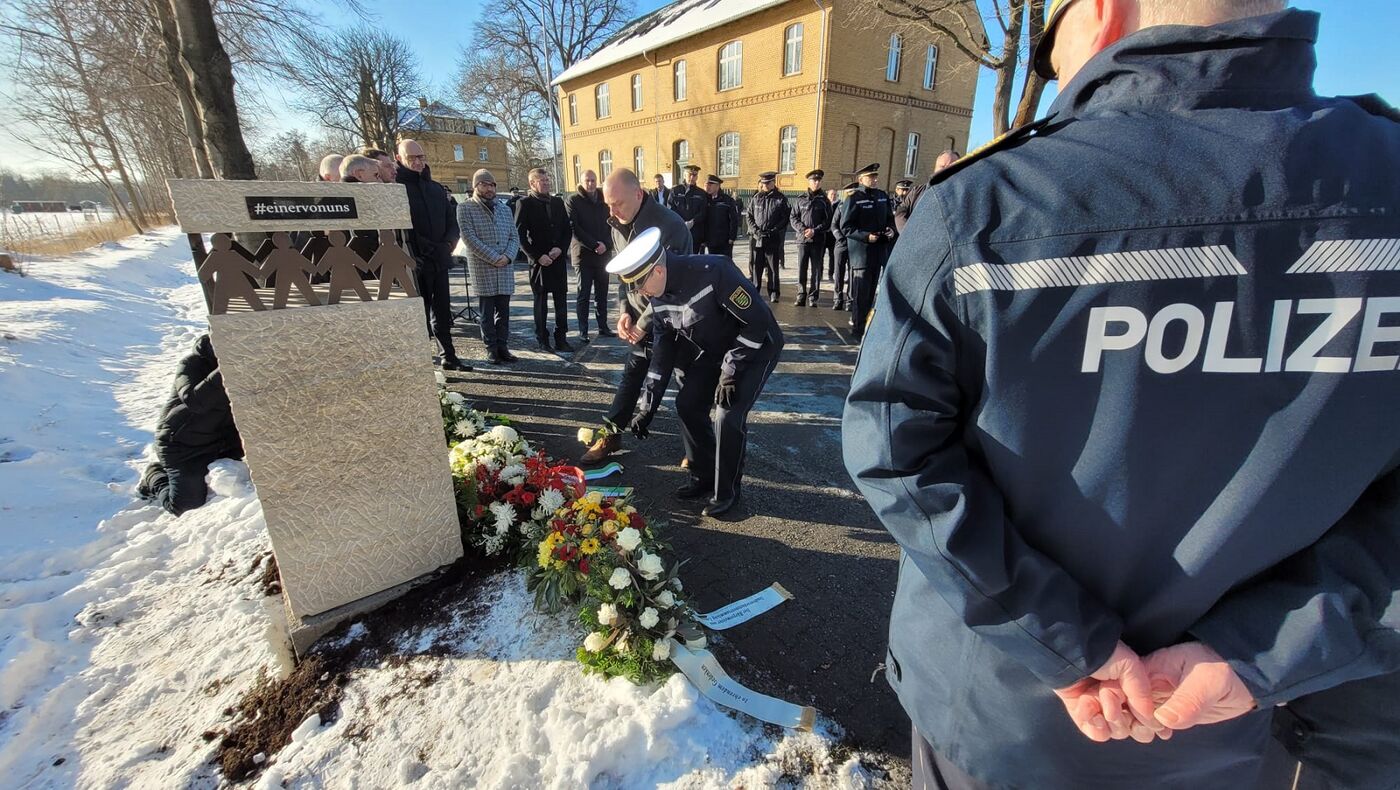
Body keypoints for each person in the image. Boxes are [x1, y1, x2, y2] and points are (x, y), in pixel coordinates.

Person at [843, 2, 1400, 789]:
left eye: (1050, 55)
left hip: (1001, 720)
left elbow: (893, 449)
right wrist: (1260, 650)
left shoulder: (989, 202)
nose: (1055, 78)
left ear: (1100, 13)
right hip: (1240, 730)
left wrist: (1068, 642)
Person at [609, 228, 783, 519]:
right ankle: (703, 475)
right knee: (687, 404)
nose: (640, 293)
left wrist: (730, 371)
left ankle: (726, 492)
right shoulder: (659, 296)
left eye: (640, 285)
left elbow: (757, 322)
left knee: (727, 415)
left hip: (755, 347)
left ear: (658, 270)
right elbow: (662, 355)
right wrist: (646, 407)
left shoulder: (715, 271)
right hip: (715, 350)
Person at [580, 168, 691, 464]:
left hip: (674, 321)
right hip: (639, 318)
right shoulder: (617, 223)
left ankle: (695, 450)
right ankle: (611, 435)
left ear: (639, 194)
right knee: (631, 377)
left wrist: (644, 323)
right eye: (608, 205)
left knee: (686, 387)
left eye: (618, 204)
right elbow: (622, 276)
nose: (612, 212)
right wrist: (624, 312)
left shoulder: (670, 226)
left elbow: (673, 286)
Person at [137, 335, 243, 517]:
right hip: (183, 444)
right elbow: (195, 401)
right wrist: (227, 369)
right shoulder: (192, 364)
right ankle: (154, 475)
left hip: (223, 441)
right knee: (185, 506)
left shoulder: (253, 364)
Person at [395, 139, 468, 371]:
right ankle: (422, 361)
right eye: (411, 158)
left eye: (421, 157)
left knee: (442, 311)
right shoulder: (397, 189)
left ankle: (449, 356)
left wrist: (447, 244)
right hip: (416, 261)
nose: (418, 162)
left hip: (440, 259)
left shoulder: (436, 188)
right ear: (399, 159)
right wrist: (426, 248)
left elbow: (451, 221)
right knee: (419, 313)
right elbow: (404, 228)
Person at [457, 169, 520, 365]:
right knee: (487, 313)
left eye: (492, 185)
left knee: (504, 313)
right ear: (476, 186)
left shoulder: (504, 209)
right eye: (484, 184)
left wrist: (508, 257)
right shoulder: (465, 208)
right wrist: (494, 258)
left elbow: (514, 236)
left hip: (505, 267)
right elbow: (469, 238)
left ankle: (503, 347)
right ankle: (491, 349)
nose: (489, 188)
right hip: (483, 267)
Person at [514, 167, 575, 352]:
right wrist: (537, 256)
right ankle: (542, 339)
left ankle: (561, 338)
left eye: (548, 180)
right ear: (532, 183)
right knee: (541, 303)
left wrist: (561, 249)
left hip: (557, 259)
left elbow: (567, 230)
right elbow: (519, 236)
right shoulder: (524, 203)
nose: (547, 183)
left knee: (561, 301)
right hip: (539, 262)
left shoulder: (557, 202)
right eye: (543, 181)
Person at [839, 163, 893, 342]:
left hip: (878, 252)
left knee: (871, 294)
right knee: (861, 295)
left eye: (875, 176)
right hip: (861, 254)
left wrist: (891, 230)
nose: (875, 180)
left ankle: (866, 326)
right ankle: (857, 328)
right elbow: (846, 227)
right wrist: (865, 236)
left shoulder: (882, 196)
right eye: (871, 177)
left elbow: (890, 219)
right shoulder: (854, 198)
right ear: (861, 179)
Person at [565, 169, 614, 342]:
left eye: (593, 180)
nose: (591, 184)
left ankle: (603, 326)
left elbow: (613, 223)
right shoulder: (573, 200)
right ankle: (583, 330)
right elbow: (574, 227)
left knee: (602, 293)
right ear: (581, 182)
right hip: (583, 256)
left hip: (603, 255)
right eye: (587, 180)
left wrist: (606, 244)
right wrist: (594, 245)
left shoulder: (604, 198)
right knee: (584, 295)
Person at [745, 171, 790, 304]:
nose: (764, 185)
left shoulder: (780, 199)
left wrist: (774, 230)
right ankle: (755, 290)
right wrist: (755, 230)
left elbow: (785, 218)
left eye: (767, 183)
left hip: (772, 238)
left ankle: (774, 292)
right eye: (763, 183)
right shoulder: (757, 197)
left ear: (772, 183)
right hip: (758, 238)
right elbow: (749, 216)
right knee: (756, 267)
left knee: (772, 268)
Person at [790, 169, 831, 307]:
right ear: (809, 182)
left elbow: (828, 221)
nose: (816, 183)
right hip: (803, 240)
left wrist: (815, 230)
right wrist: (803, 230)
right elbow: (793, 217)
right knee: (802, 268)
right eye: (814, 180)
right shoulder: (800, 199)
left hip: (818, 240)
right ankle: (801, 295)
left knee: (816, 270)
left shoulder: (824, 201)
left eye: (818, 180)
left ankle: (813, 297)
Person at [895, 151, 962, 235]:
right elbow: (900, 213)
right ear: (935, 169)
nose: (946, 170)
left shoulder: (963, 197)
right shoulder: (917, 192)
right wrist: (908, 235)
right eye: (942, 166)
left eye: (951, 167)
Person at [667, 163, 709, 251]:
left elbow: (703, 212)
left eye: (695, 175)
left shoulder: (701, 193)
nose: (692, 178)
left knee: (693, 256)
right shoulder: (675, 191)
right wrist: (681, 222)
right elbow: (670, 209)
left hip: (695, 232)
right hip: (679, 231)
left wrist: (693, 221)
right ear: (684, 175)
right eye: (690, 175)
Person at [701, 174, 741, 259]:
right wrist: (703, 238)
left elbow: (734, 219)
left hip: (724, 240)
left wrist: (732, 237)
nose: (707, 187)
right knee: (713, 263)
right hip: (710, 240)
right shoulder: (704, 200)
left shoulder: (727, 200)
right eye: (706, 184)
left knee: (725, 262)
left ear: (717, 186)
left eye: (710, 185)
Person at [830, 183, 854, 311]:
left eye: (853, 192)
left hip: (854, 244)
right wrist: (840, 237)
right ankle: (837, 299)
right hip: (841, 244)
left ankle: (850, 300)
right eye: (849, 192)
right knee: (839, 272)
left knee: (852, 273)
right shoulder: (840, 206)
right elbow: (834, 224)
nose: (851, 195)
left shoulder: (859, 206)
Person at [823, 188, 839, 281]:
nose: (833, 196)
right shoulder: (824, 204)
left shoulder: (839, 205)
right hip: (824, 234)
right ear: (827, 195)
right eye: (831, 194)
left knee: (833, 256)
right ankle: (819, 274)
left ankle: (830, 274)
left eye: (835, 194)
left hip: (834, 235)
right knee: (820, 256)